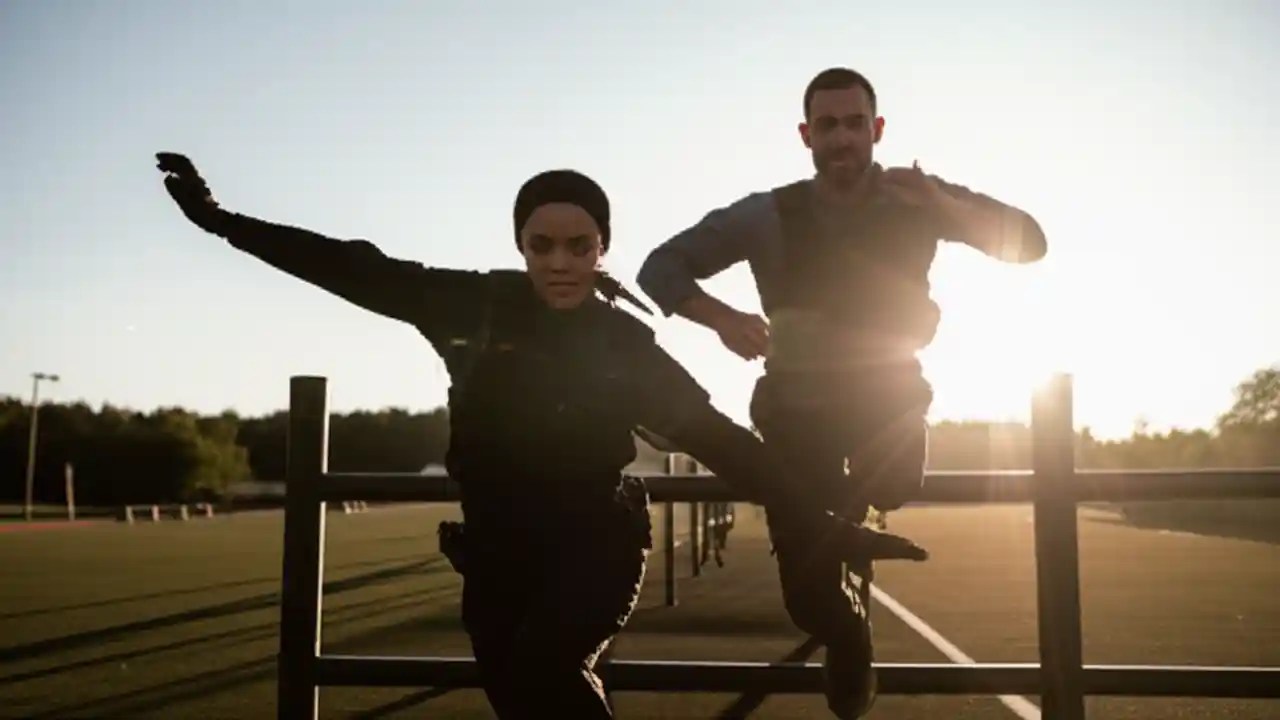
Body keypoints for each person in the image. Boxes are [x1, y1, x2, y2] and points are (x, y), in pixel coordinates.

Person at [154, 152, 926, 719]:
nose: (560, 262)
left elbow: (724, 442)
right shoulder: (473, 308)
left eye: (579, 246)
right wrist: (224, 224)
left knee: (544, 666)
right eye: (542, 244)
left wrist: (824, 523)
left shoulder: (625, 348)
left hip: (597, 546)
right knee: (527, 701)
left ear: (602, 250)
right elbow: (355, 269)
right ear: (521, 244)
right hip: (497, 554)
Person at [636, 67, 1048, 718]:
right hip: (796, 414)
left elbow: (1031, 243)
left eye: (855, 124)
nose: (842, 139)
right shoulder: (768, 214)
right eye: (827, 126)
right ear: (806, 135)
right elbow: (659, 267)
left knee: (893, 483)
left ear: (877, 129)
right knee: (807, 603)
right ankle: (849, 629)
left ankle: (862, 525)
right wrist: (724, 319)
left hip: (890, 397)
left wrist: (947, 210)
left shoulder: (919, 198)